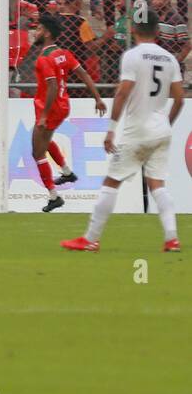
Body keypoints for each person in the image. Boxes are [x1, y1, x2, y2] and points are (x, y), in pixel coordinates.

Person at [64, 13, 183, 252]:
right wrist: (165, 124)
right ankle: (172, 239)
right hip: (161, 130)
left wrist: (110, 130)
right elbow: (179, 100)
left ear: (134, 30)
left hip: (137, 129)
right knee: (157, 183)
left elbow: (122, 93)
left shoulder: (132, 56)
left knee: (112, 181)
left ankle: (90, 239)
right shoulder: (170, 58)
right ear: (157, 31)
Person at [31, 14, 108, 212]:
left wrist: (44, 115)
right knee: (45, 141)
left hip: (50, 107)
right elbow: (84, 74)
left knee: (37, 152)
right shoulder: (64, 53)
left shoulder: (44, 59)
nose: (35, 33)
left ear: (47, 33)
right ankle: (66, 172)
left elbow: (53, 87)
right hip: (64, 105)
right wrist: (97, 98)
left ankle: (54, 196)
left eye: (38, 29)